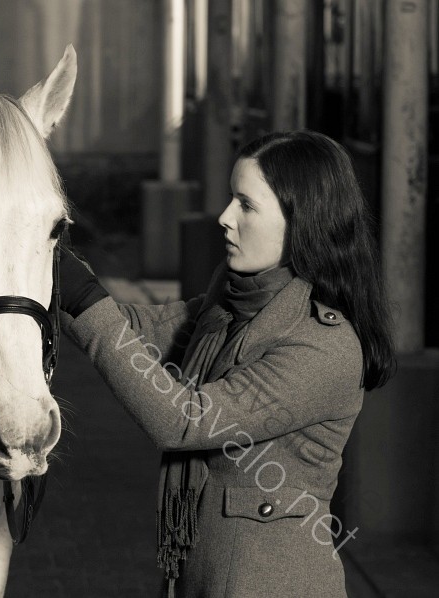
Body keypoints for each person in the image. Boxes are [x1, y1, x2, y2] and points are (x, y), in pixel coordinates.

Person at [58, 130, 395, 597]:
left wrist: (82, 295)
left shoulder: (325, 346)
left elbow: (184, 420)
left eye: (246, 205)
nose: (224, 217)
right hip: (196, 577)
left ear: (303, 222)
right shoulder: (235, 295)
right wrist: (42, 267)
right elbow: (137, 328)